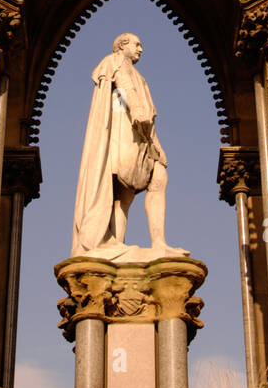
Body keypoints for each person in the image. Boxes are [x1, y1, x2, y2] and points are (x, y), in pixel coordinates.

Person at [71, 33, 187, 261]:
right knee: (120, 192)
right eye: (137, 44)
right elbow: (123, 87)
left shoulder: (139, 76)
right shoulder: (114, 61)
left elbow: (150, 116)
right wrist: (136, 109)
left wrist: (157, 144)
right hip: (121, 135)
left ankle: (159, 243)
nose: (140, 49)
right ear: (122, 45)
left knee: (158, 177)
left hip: (141, 137)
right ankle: (113, 241)